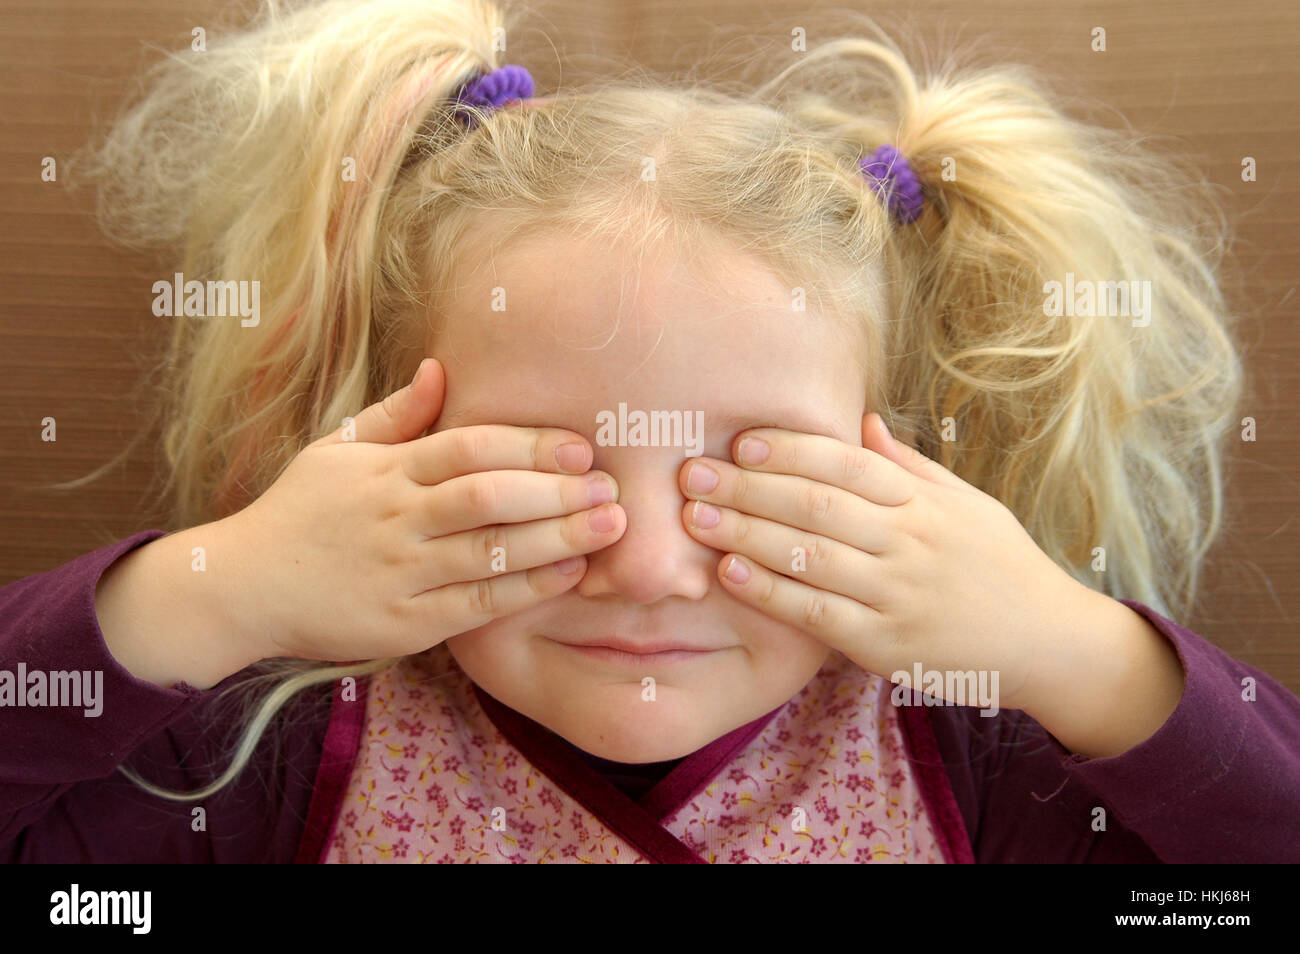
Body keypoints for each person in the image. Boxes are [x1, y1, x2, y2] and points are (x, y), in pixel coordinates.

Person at [3, 0, 1297, 863]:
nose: (648, 566)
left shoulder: (981, 740)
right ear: (382, 445)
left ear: (909, 471)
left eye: (755, 472)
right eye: (540, 469)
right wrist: (217, 589)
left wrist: (1073, 649)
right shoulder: (274, 741)